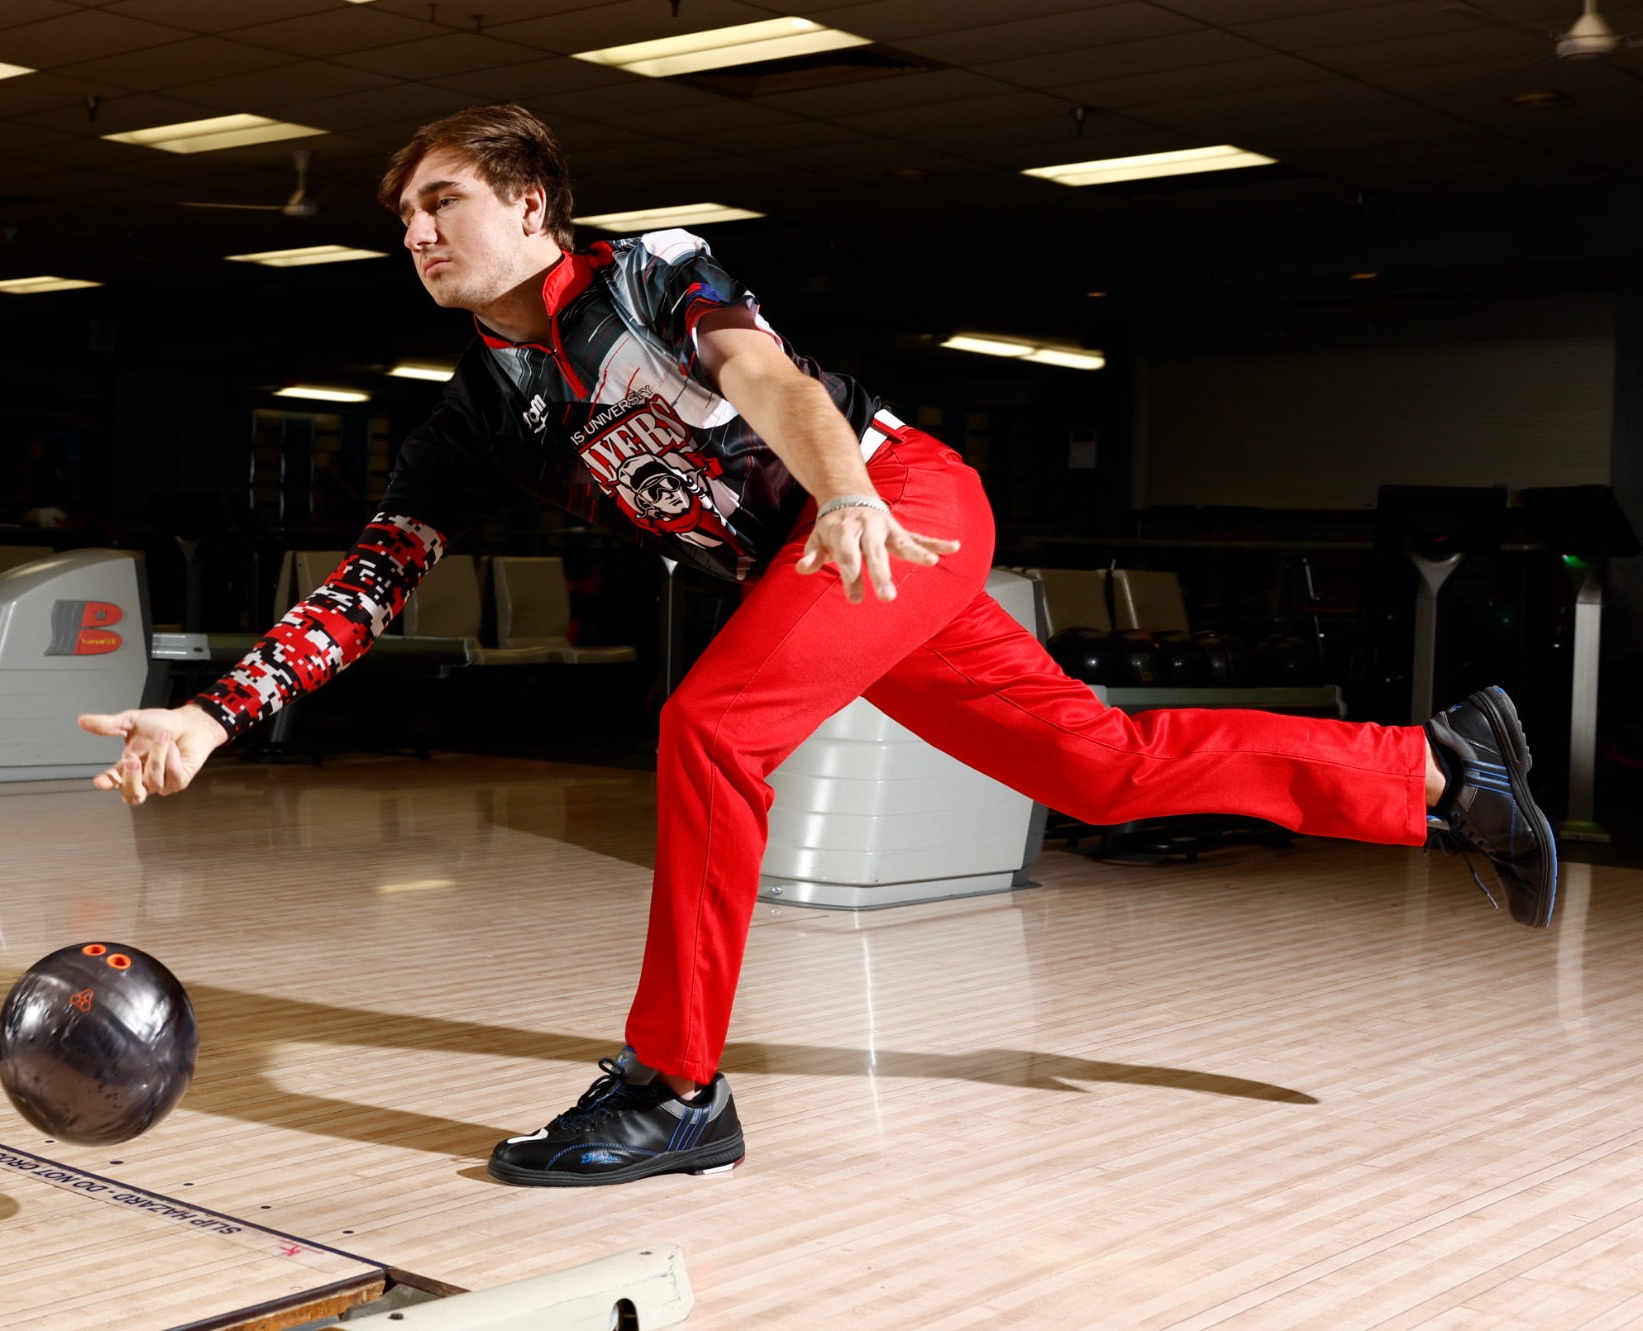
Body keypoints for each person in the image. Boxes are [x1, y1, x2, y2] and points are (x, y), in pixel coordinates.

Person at [78, 104, 1557, 1188]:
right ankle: (1435, 771)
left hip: (896, 505)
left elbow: (763, 375)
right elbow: (378, 576)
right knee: (1099, 772)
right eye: (402, 222)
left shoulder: (651, 270)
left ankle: (675, 1089)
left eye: (444, 204)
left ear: (533, 204)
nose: (419, 236)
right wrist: (214, 714)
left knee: (711, 730)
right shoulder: (481, 412)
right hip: (817, 559)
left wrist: (845, 492)